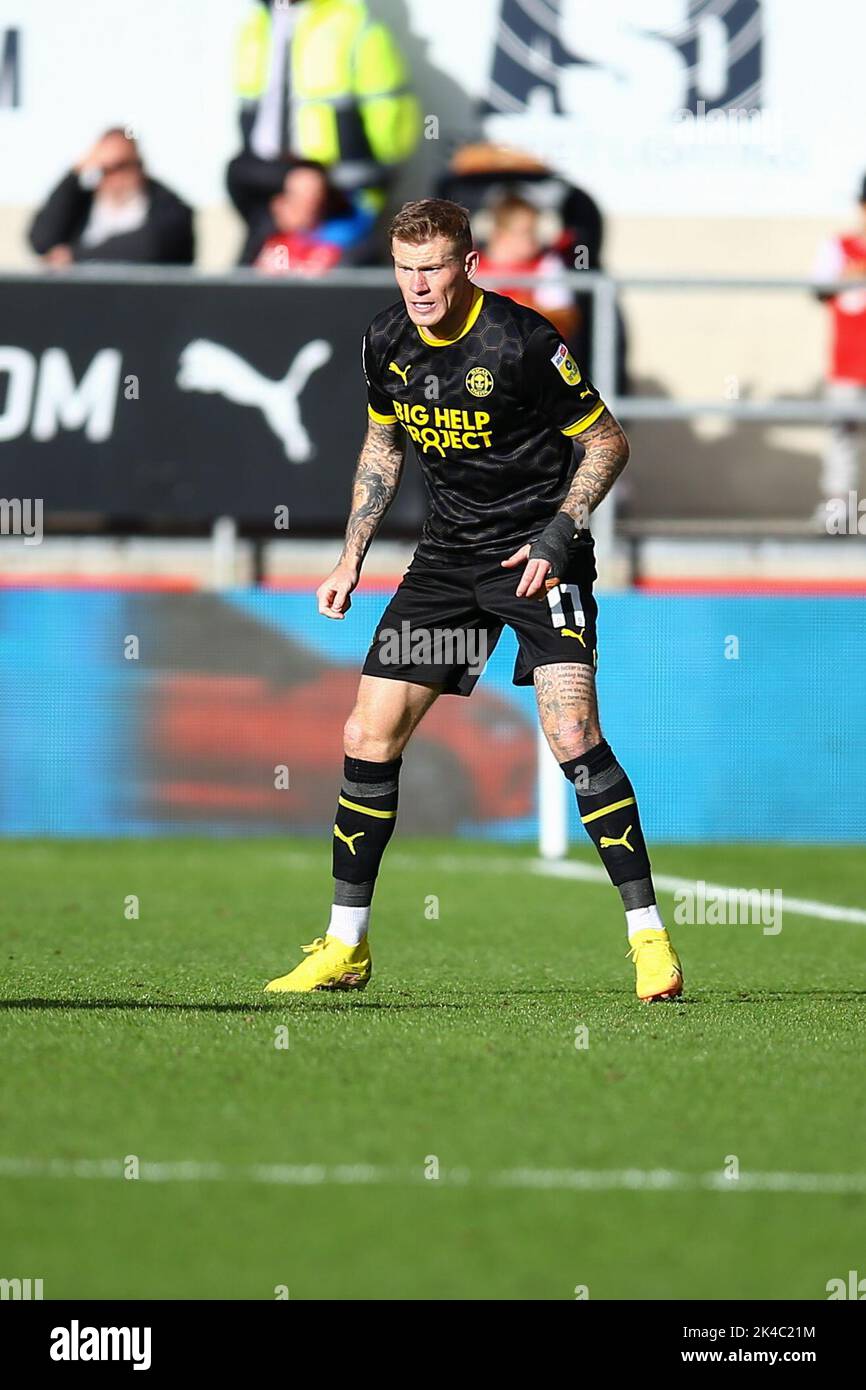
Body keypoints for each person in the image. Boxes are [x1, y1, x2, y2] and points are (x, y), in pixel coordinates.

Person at [265, 198, 683, 1004]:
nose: (417, 284)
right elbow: (382, 445)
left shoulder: (521, 342)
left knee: (572, 735)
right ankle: (346, 945)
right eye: (404, 266)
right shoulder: (384, 340)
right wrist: (348, 559)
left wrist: (563, 531)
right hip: (449, 567)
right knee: (367, 731)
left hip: (536, 561)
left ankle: (649, 940)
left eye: (433, 267)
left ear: (468, 266)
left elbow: (607, 441)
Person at [228, 0, 420, 263]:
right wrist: (285, 188)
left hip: (338, 190)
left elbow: (390, 122)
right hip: (274, 184)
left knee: (333, 291)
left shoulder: (353, 22)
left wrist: (341, 183)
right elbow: (251, 107)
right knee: (248, 284)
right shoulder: (257, 23)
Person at [28, 129, 194, 266]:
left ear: (138, 164)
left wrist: (75, 256)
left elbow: (150, 246)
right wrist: (74, 174)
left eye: (121, 166)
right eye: (104, 169)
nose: (114, 177)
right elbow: (41, 240)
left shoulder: (169, 205)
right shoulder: (84, 202)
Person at [813, 175, 866, 515]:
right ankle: (838, 508)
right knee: (842, 436)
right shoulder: (839, 246)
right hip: (847, 365)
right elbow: (819, 286)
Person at [476, 194, 578, 342]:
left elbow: (565, 317)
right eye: (526, 232)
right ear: (500, 234)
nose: (534, 238)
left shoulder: (547, 264)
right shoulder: (473, 267)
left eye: (535, 230)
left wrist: (520, 309)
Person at [253, 160, 373, 273]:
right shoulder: (272, 243)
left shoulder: (346, 242)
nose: (308, 203)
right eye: (297, 196)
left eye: (314, 195)